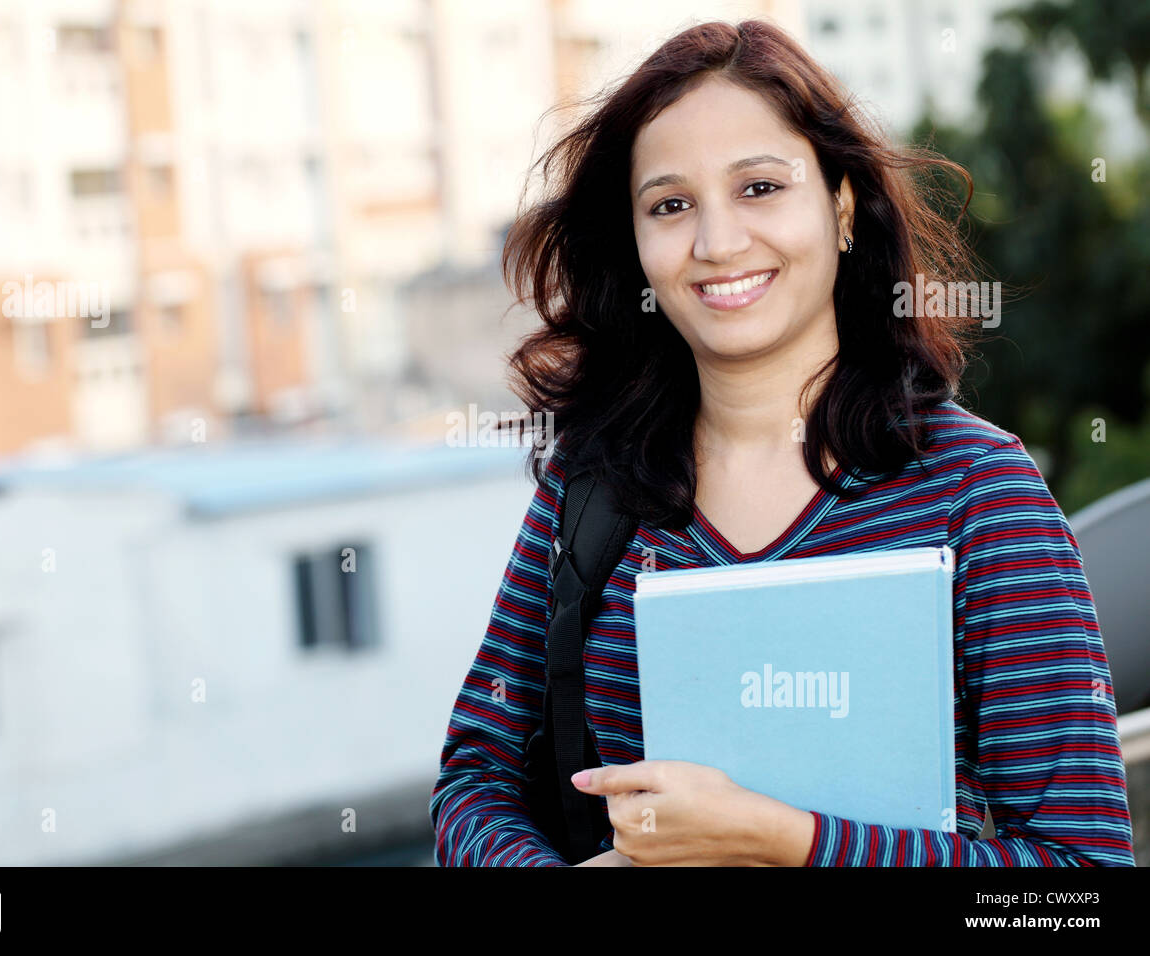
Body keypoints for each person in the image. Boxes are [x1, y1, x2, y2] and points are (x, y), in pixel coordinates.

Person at [429, 18, 1136, 866]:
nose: (718, 242)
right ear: (638, 244)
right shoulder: (591, 488)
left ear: (840, 206)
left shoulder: (978, 493)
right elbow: (474, 781)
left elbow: (1076, 882)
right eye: (671, 204)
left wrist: (785, 841)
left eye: (760, 187)